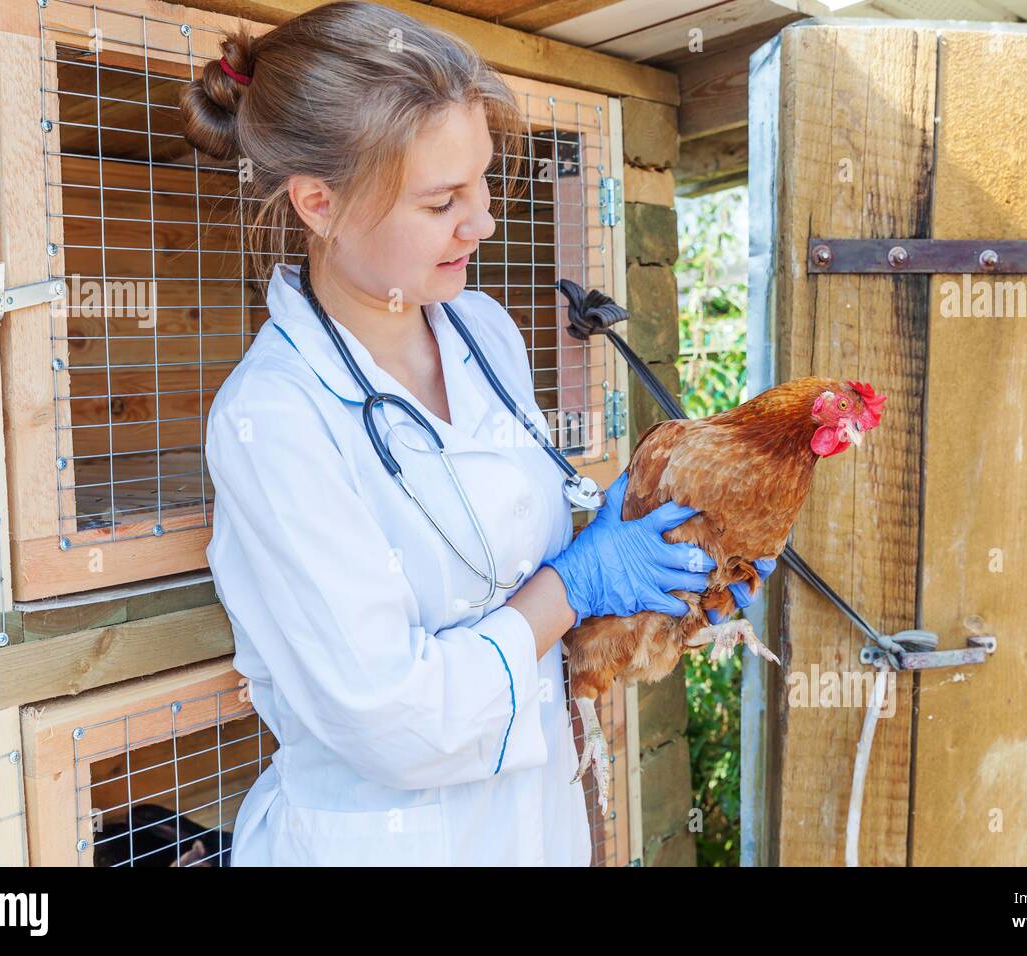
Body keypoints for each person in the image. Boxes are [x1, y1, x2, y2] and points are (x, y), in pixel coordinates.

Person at [187, 1, 751, 867]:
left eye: (482, 182)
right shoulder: (272, 422)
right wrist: (577, 580)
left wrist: (661, 544)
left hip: (538, 822)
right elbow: (393, 715)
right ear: (319, 204)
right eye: (442, 200)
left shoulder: (482, 331)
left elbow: (502, 550)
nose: (482, 222)